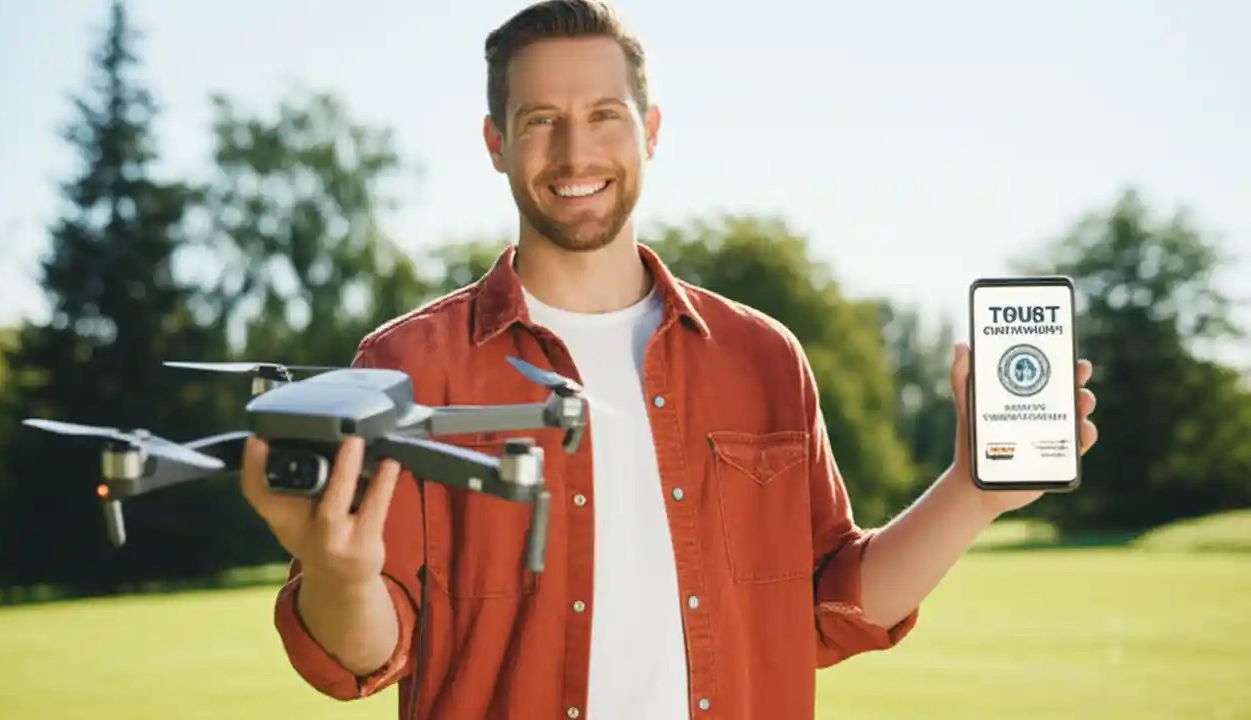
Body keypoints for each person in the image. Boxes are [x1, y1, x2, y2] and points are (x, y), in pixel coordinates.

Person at [239, 1, 1100, 718]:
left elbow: (826, 609)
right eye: (541, 121)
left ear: (649, 131)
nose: (576, 154)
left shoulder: (763, 358)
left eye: (604, 117)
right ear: (496, 141)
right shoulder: (407, 364)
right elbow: (359, 656)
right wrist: (338, 574)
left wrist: (974, 491)